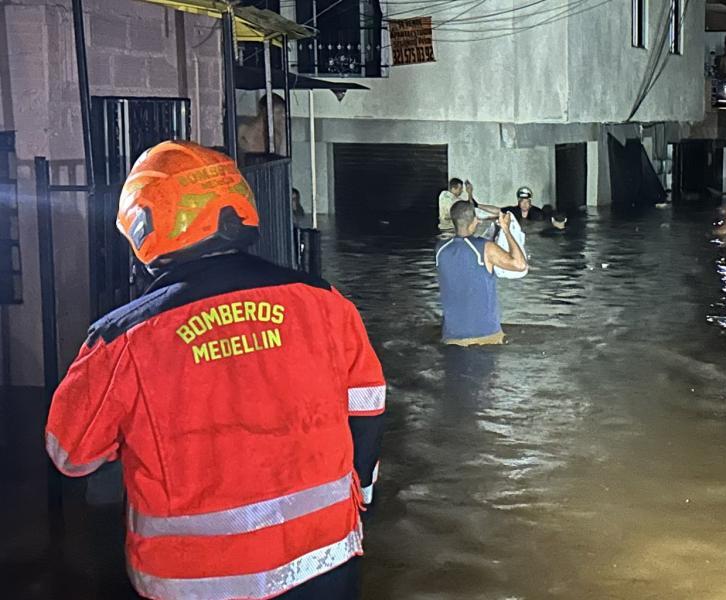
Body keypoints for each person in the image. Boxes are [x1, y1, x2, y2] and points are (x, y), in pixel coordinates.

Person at [44, 141, 386, 599]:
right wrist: (362, 492)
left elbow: (71, 454)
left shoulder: (123, 339)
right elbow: (368, 406)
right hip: (324, 560)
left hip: (197, 580)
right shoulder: (326, 302)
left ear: (144, 225)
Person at [436, 201, 527, 346]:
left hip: (451, 337)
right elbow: (520, 264)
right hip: (486, 337)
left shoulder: (440, 250)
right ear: (473, 221)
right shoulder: (485, 248)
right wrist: (506, 230)